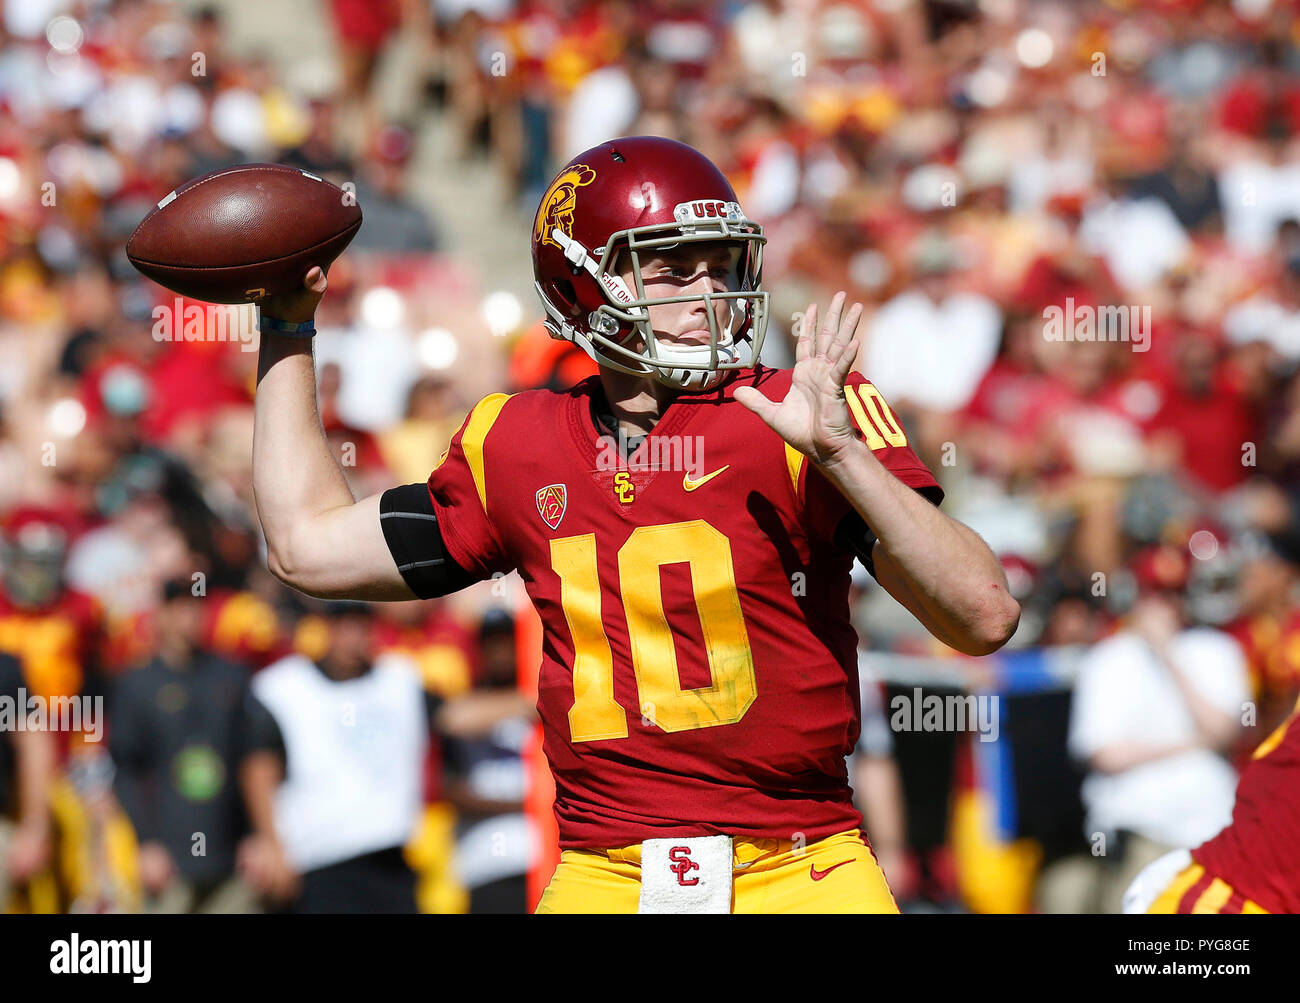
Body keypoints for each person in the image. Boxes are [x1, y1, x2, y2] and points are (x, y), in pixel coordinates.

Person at [250, 136, 1018, 913]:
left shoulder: (797, 412)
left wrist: (842, 455)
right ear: (582, 283)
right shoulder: (514, 442)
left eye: (720, 264)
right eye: (675, 268)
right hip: (606, 874)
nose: (709, 291)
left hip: (799, 865)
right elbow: (305, 546)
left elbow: (984, 613)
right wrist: (286, 329)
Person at [109, 578, 261, 913]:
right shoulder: (137, 683)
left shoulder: (231, 676)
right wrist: (145, 842)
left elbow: (253, 762)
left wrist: (256, 835)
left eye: (196, 607)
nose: (189, 617)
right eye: (179, 608)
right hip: (169, 859)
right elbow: (127, 770)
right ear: (160, 614)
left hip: (230, 856)